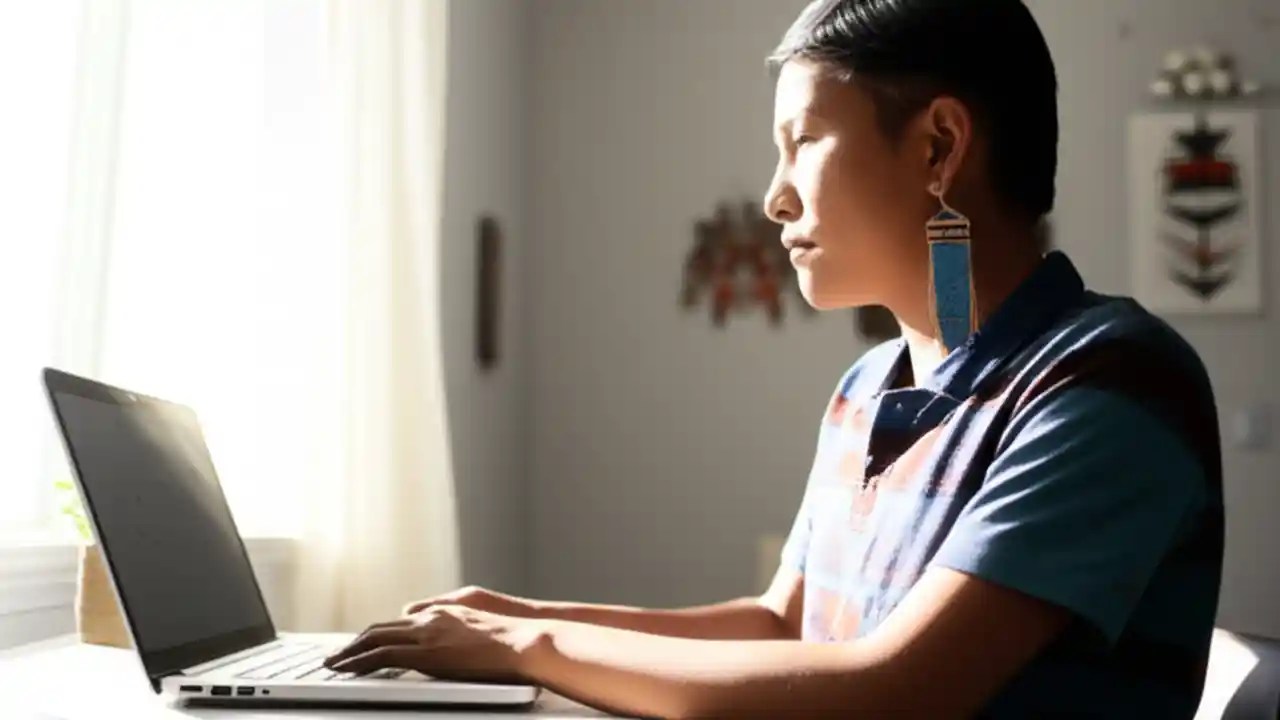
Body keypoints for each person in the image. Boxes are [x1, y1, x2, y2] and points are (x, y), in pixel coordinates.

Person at [324, 1, 1224, 717]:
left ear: (939, 148)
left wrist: (530, 653)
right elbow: (783, 623)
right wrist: (523, 616)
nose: (773, 197)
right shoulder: (865, 387)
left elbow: (897, 690)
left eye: (803, 144)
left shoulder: (1108, 382)